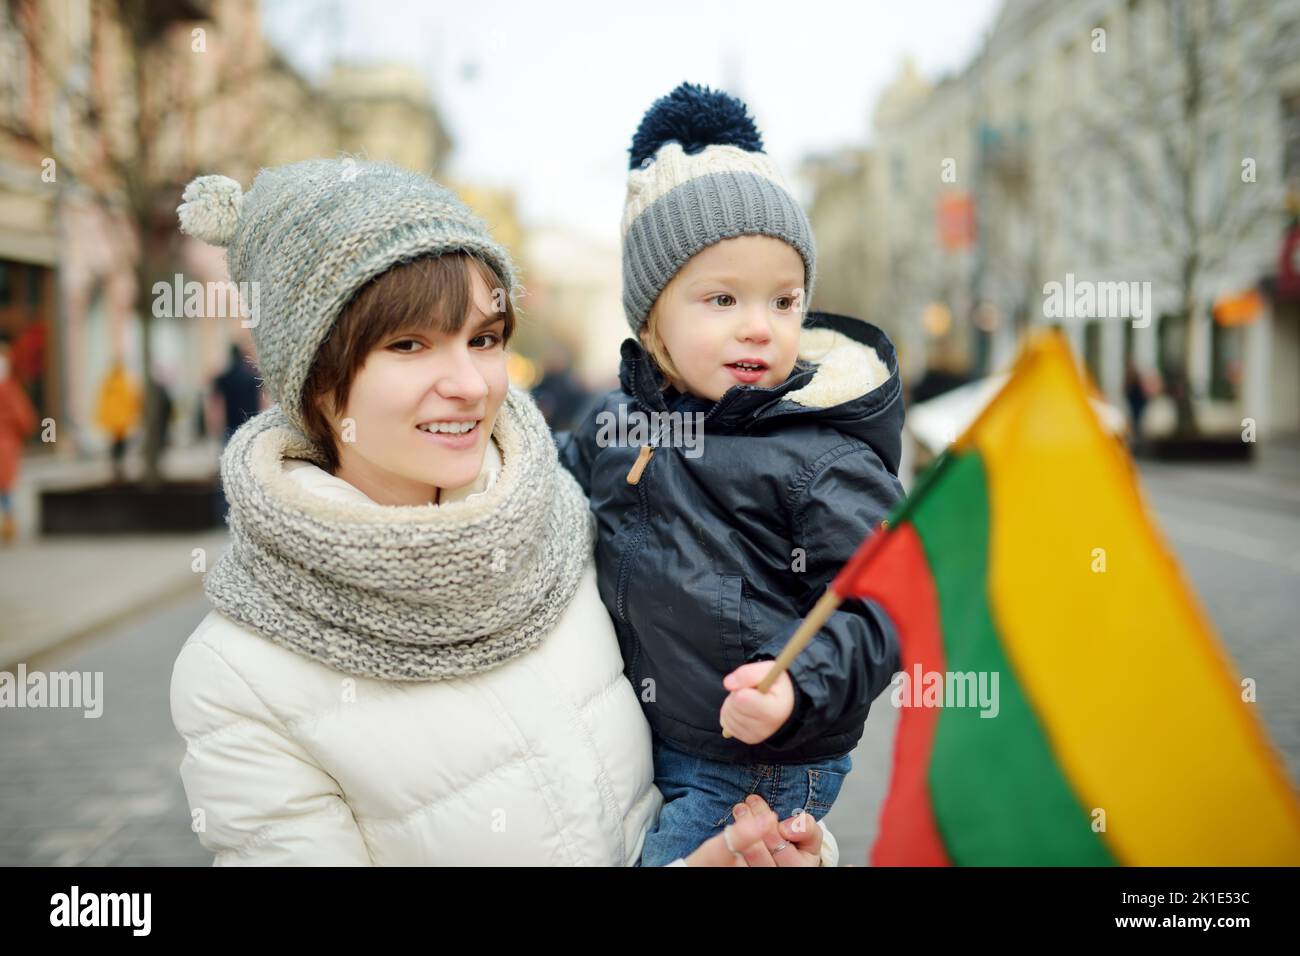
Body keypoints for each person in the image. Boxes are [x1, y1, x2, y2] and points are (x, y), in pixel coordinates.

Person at [168, 158, 838, 866]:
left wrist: (785, 847)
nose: (468, 383)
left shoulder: (576, 517)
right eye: (408, 344)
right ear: (318, 381)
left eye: (483, 339)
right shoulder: (238, 676)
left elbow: (708, 760)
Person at [556, 84, 904, 867]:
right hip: (661, 738)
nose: (760, 324)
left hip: (761, 760)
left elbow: (891, 601)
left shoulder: (818, 453)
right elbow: (548, 474)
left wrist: (797, 687)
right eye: (722, 298)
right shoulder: (619, 423)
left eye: (785, 301)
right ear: (652, 321)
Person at [0, 334, 37, 544]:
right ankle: (8, 522)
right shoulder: (10, 390)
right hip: (6, 446)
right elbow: (25, 419)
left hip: (5, 445)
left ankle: (8, 522)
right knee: (5, 487)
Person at [95, 357, 142, 481]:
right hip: (120, 420)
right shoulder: (122, 382)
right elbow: (131, 400)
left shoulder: (112, 382)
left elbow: (104, 402)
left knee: (118, 444)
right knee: (119, 444)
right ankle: (118, 464)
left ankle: (117, 464)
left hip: (118, 420)